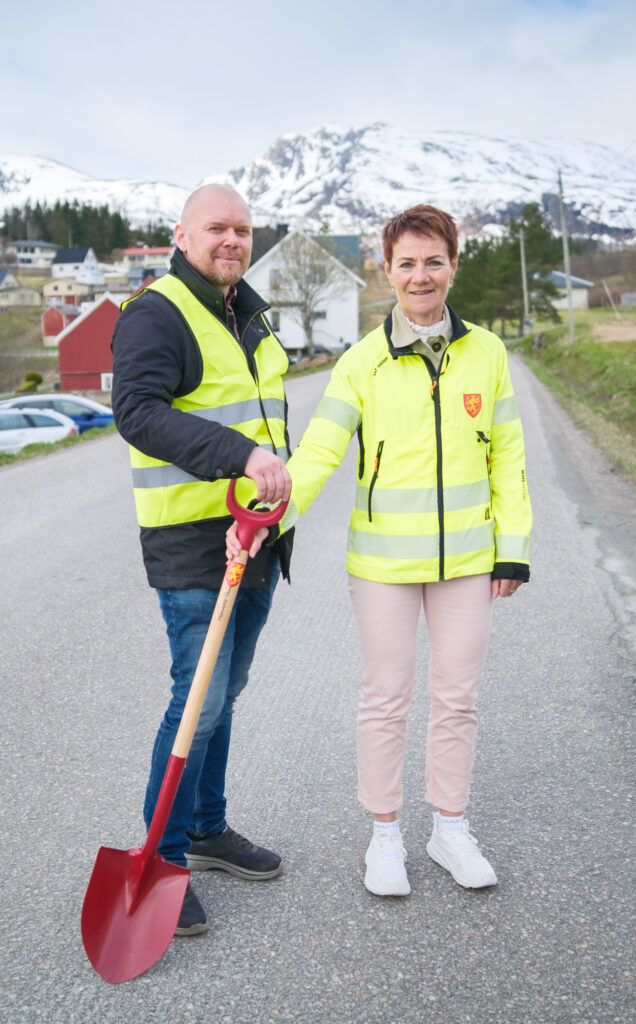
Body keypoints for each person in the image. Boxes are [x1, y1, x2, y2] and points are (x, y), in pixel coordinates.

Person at [232, 203, 531, 897]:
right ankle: (386, 838)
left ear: (454, 265)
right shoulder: (361, 363)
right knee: (386, 697)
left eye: (434, 261)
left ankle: (450, 830)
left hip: (466, 561)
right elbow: (319, 452)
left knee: (457, 698)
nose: (420, 276)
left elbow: (508, 456)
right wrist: (266, 518)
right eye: (407, 263)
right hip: (382, 567)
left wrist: (511, 547)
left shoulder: (486, 354)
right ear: (386, 271)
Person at [110, 183, 294, 937]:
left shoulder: (243, 312)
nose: (232, 240)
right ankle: (163, 857)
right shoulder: (157, 311)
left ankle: (210, 829)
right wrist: (242, 456)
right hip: (191, 541)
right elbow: (139, 413)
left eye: (243, 230)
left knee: (227, 690)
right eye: (217, 227)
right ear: (180, 235)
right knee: (199, 698)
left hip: (255, 536)